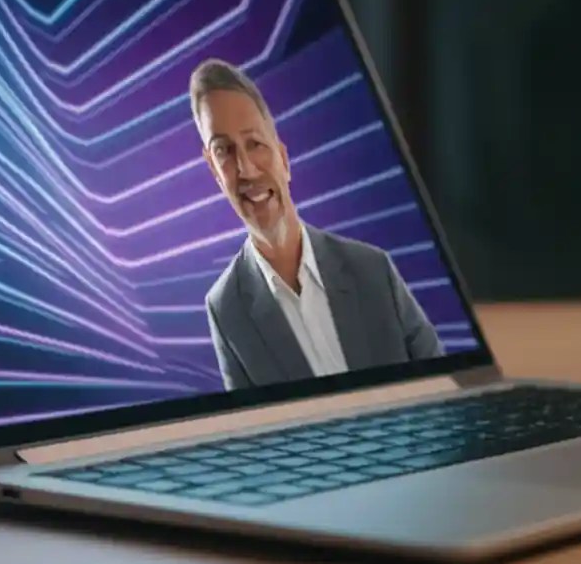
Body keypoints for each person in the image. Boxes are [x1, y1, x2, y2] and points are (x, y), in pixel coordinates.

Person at [189, 58, 444, 390]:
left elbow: (444, 382)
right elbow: (255, 428)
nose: (247, 169)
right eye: (224, 151)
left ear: (284, 158)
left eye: (255, 143)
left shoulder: (372, 269)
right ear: (214, 172)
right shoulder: (226, 309)